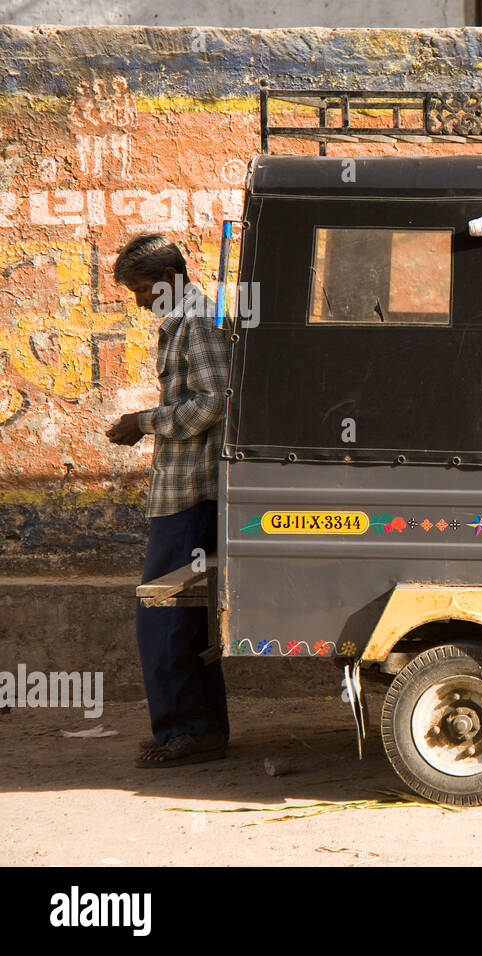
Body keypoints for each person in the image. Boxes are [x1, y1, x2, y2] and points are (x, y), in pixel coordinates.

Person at [106, 233, 231, 768]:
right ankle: (201, 730)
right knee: (185, 616)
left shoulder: (195, 321)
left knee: (163, 615)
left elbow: (215, 400)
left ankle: (187, 730)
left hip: (188, 493)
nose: (138, 302)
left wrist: (144, 422)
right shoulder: (187, 319)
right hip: (185, 491)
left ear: (167, 279)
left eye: (140, 290)